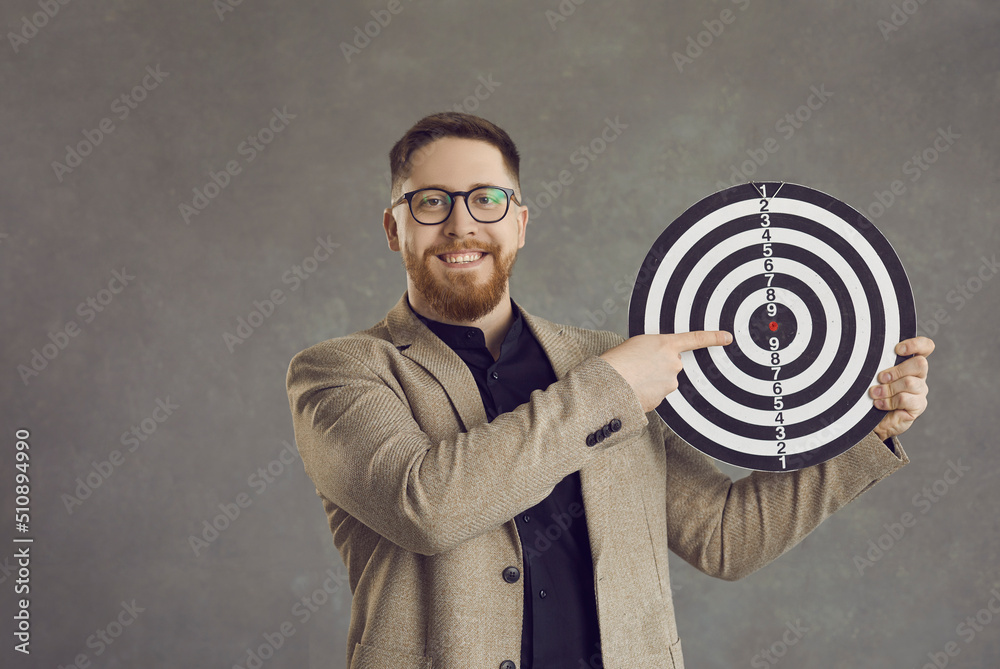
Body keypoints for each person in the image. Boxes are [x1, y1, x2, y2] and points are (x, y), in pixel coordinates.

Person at [285, 112, 933, 669]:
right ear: (396, 228)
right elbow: (426, 506)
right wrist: (611, 388)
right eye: (431, 201)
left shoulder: (600, 360)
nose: (461, 224)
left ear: (520, 223)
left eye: (487, 198)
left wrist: (863, 430)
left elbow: (725, 536)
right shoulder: (341, 371)